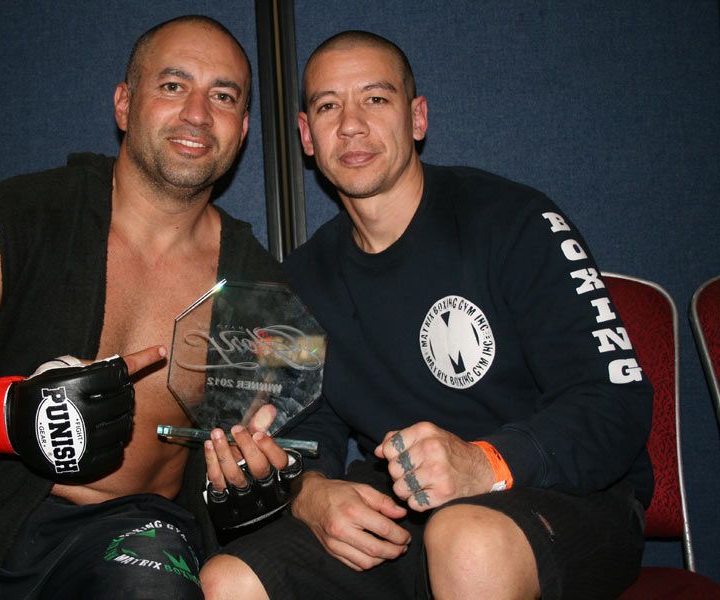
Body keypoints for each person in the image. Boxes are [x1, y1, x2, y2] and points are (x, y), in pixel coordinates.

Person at [0, 15, 285, 600]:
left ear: (242, 129)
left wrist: (254, 481)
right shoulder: (24, 217)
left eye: (223, 95)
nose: (197, 113)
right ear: (124, 104)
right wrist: (9, 414)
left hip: (131, 535)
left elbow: (266, 450)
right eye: (173, 85)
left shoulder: (256, 284)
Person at [199, 30, 653, 600]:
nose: (351, 124)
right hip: (406, 511)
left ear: (417, 118)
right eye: (328, 105)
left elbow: (616, 400)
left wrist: (485, 462)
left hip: (569, 496)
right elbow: (308, 427)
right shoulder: (301, 278)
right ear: (306, 136)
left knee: (463, 538)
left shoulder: (513, 221)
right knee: (228, 581)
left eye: (376, 98)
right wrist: (312, 491)